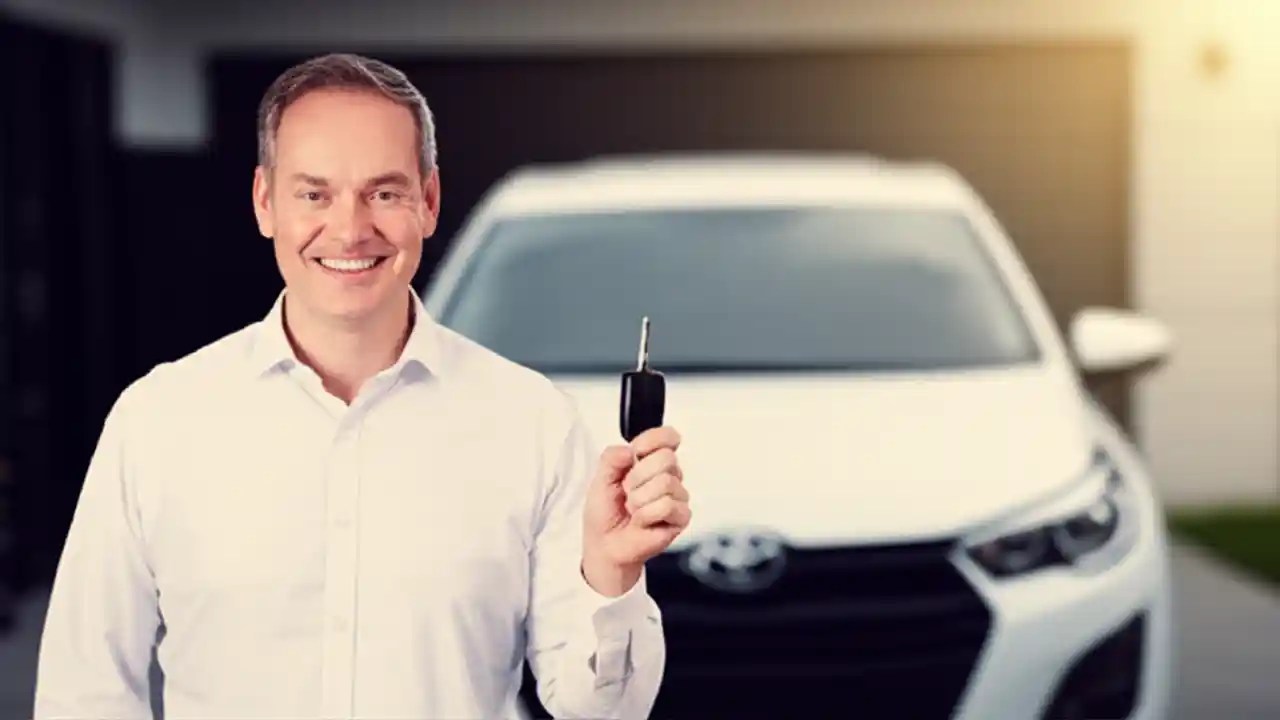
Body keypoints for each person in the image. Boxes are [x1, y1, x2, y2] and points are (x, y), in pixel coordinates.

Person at [33, 52, 691, 720]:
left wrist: (611, 577)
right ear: (265, 202)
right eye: (314, 193)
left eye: (384, 192)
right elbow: (83, 694)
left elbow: (603, 712)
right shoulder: (158, 420)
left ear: (428, 202)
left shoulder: (534, 422)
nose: (349, 229)